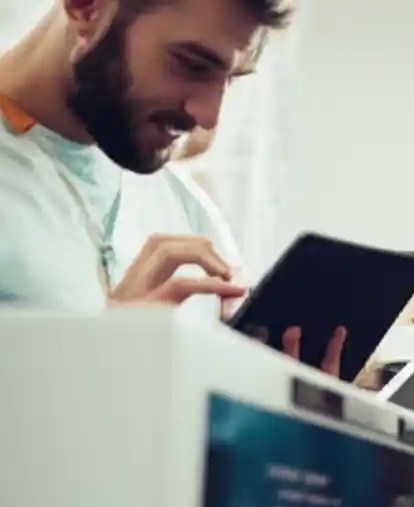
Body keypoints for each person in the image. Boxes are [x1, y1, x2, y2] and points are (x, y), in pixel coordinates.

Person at [0, 0, 343, 371]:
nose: (209, 116)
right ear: (86, 8)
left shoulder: (191, 216)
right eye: (192, 65)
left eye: (230, 79)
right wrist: (95, 359)